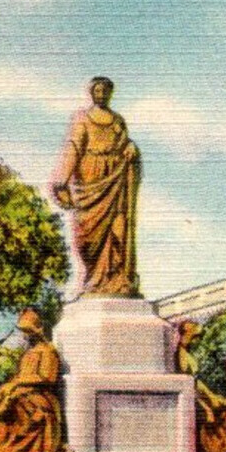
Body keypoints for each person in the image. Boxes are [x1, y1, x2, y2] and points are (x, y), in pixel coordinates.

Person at [51, 76, 142, 297]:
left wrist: (131, 146)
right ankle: (93, 279)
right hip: (89, 178)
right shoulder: (82, 119)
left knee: (117, 229)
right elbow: (74, 148)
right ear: (91, 93)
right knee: (86, 238)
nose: (101, 94)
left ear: (110, 93)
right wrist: (62, 179)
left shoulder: (118, 121)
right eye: (97, 90)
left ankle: (116, 279)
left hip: (115, 180)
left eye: (105, 90)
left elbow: (125, 144)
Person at [0, 308, 75, 452]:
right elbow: (20, 375)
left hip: (39, 396)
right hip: (21, 391)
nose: (25, 335)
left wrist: (18, 383)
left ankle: (12, 451)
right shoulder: (29, 353)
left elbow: (46, 377)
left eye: (28, 331)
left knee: (14, 405)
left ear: (36, 332)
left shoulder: (48, 351)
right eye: (24, 331)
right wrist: (11, 385)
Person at [175, 320, 226, 452]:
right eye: (193, 336)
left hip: (199, 392)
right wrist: (208, 401)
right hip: (191, 396)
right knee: (211, 414)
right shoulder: (180, 354)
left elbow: (197, 382)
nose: (196, 340)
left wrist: (212, 396)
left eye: (197, 337)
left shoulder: (187, 353)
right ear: (184, 335)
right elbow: (188, 383)